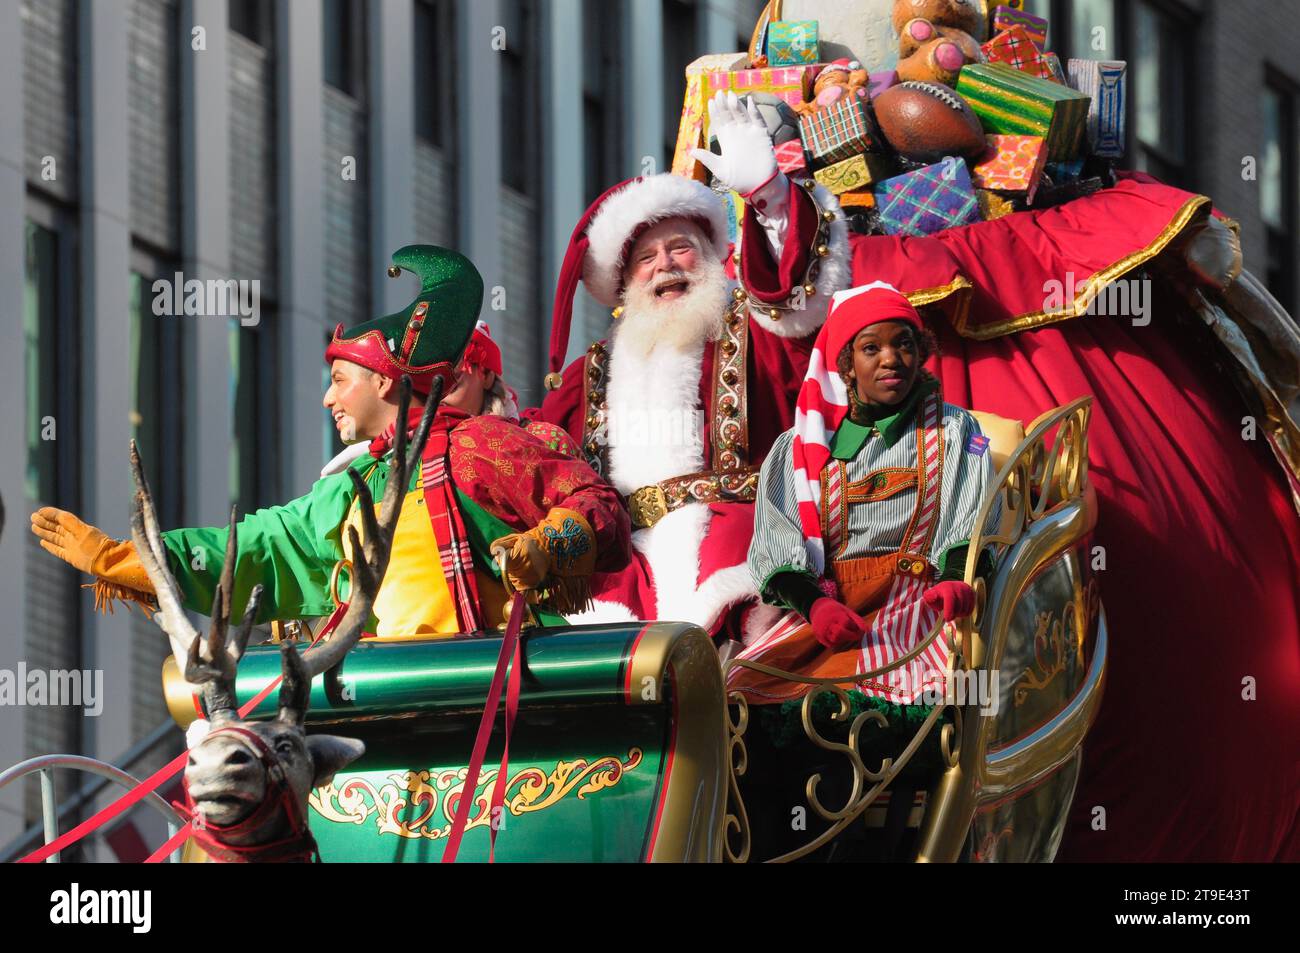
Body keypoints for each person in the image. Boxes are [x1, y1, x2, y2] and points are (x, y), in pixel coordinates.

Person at [31, 245, 630, 637]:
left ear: (386, 381)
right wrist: (128, 559)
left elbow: (597, 507)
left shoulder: (487, 445)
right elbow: (257, 549)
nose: (328, 398)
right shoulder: (349, 486)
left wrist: (548, 546)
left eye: (340, 380)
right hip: (379, 708)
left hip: (495, 701)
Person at [535, 91, 851, 636]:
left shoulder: (755, 328)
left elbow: (795, 303)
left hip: (741, 543)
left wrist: (769, 197)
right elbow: (530, 457)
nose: (665, 267)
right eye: (646, 259)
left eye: (680, 248)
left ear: (709, 257)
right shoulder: (589, 374)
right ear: (623, 283)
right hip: (624, 568)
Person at [732, 282, 998, 704]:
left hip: (922, 611)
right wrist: (815, 606)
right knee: (746, 700)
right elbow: (776, 544)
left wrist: (954, 578)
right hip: (828, 620)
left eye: (905, 344)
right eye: (871, 348)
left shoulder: (955, 430)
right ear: (847, 365)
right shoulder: (797, 449)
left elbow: (974, 512)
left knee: (903, 707)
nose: (891, 358)